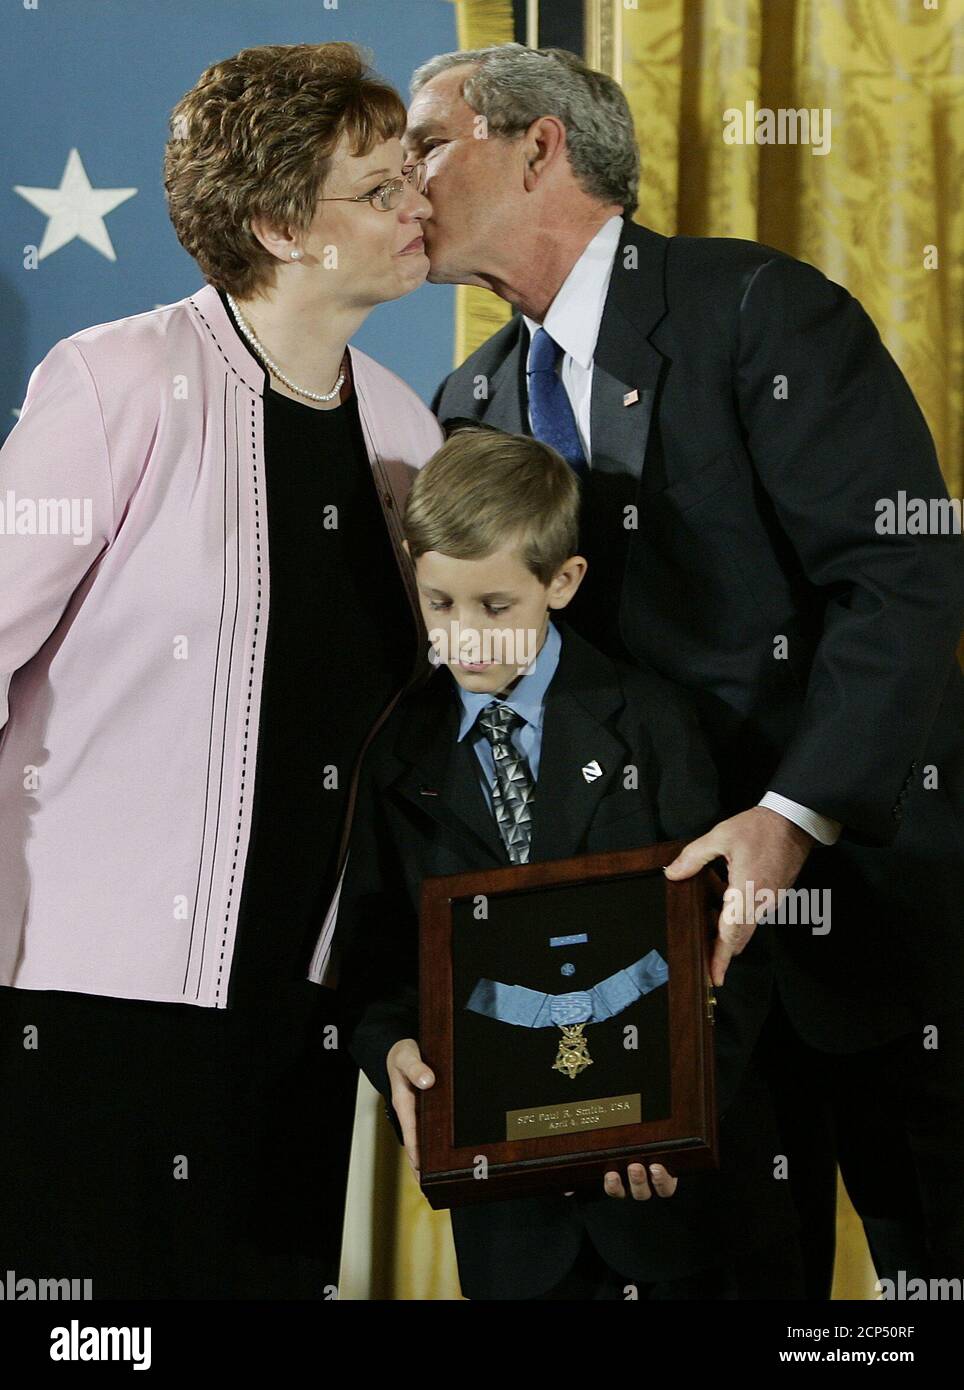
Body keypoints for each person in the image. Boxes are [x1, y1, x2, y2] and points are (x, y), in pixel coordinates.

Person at [403, 43, 964, 1295]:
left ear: (538, 144)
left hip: (868, 926)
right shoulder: (472, 401)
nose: (406, 177)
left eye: (429, 142)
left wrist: (791, 815)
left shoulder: (759, 309)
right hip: (664, 982)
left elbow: (904, 576)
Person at [0, 41, 441, 1299]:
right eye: (379, 188)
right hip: (90, 1002)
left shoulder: (407, 430)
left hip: (294, 1008)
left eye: (411, 173)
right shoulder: (117, 382)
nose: (419, 206)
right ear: (276, 224)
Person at [336, 428, 803, 1301]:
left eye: (495, 607)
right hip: (514, 1234)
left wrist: (681, 1113)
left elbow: (736, 946)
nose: (465, 640)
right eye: (439, 604)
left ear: (563, 581)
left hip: (680, 1218)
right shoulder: (397, 752)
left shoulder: (655, 722)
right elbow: (375, 958)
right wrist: (390, 1046)